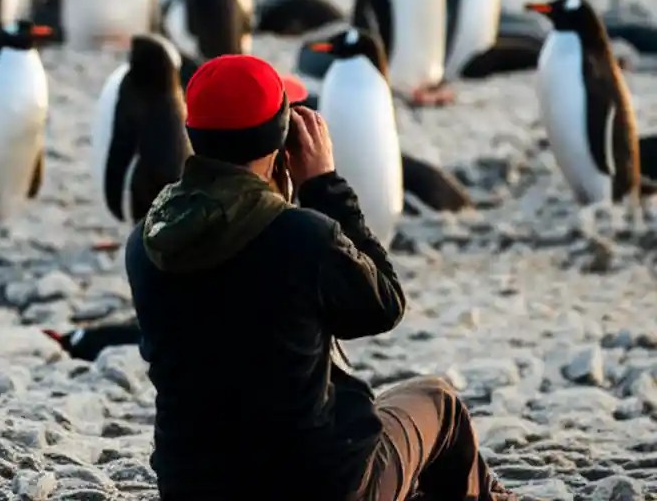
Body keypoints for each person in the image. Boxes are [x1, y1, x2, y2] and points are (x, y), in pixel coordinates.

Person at [124, 55, 518, 500]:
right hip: (318, 486)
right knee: (439, 404)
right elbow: (384, 304)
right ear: (280, 137)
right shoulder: (301, 237)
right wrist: (323, 187)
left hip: (192, 488)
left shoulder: (147, 242)